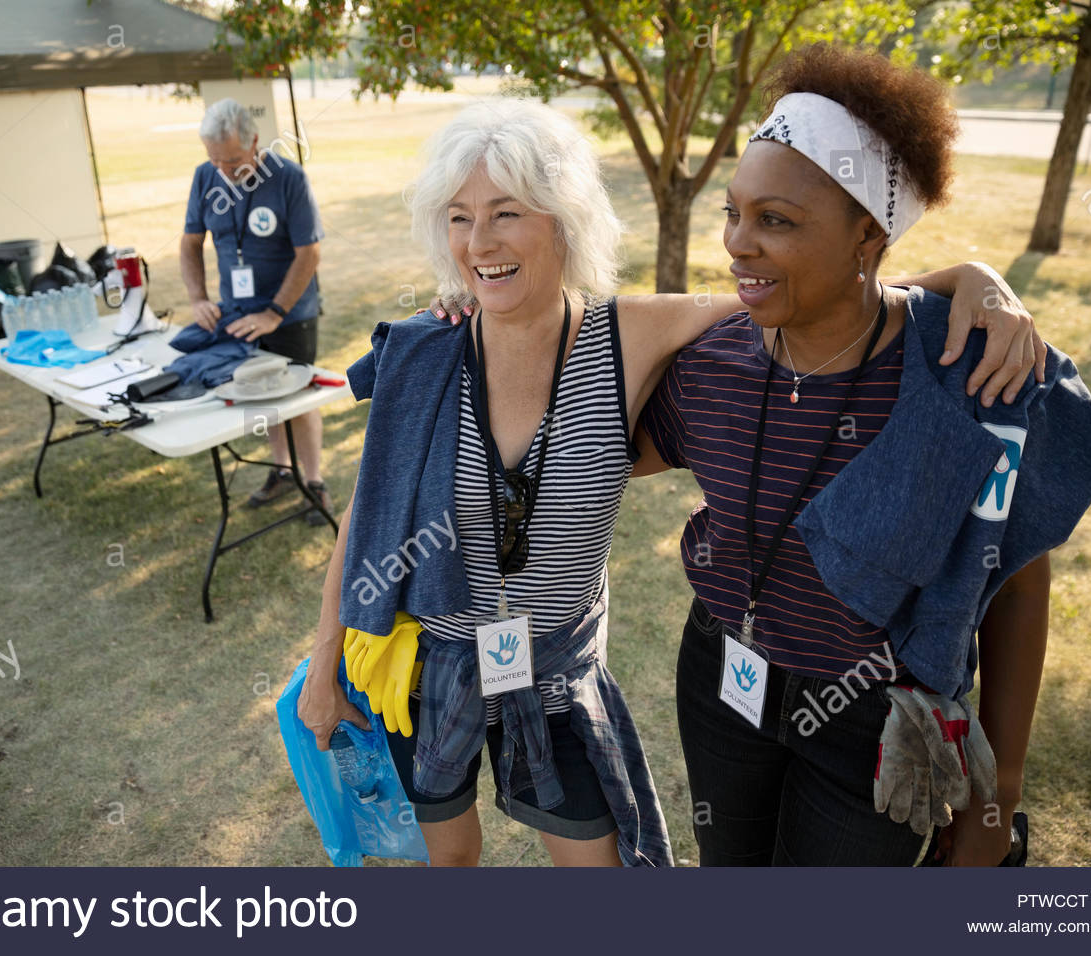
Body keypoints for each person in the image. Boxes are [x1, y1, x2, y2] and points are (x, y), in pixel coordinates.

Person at [297, 98, 1045, 867]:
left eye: (506, 214)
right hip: (433, 664)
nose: (478, 242)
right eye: (459, 218)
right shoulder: (427, 353)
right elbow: (369, 517)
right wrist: (324, 664)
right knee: (447, 862)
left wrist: (972, 278)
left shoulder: (636, 333)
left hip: (555, 672)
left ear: (562, 218)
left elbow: (829, 296)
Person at [634, 45, 1091, 866]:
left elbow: (1018, 584)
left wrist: (1003, 789)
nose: (738, 243)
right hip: (723, 678)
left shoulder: (963, 377)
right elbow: (569, 452)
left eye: (776, 220)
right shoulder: (712, 365)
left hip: (879, 716)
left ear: (867, 234)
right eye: (734, 212)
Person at [180, 97, 333, 522]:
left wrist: (276, 312)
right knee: (261, 391)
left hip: (290, 313)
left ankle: (314, 480)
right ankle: (282, 471)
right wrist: (198, 298)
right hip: (237, 313)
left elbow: (309, 253)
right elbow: (191, 243)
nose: (225, 171)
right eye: (215, 161)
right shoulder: (205, 178)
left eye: (233, 160)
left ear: (255, 142)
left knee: (298, 395)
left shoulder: (288, 179)